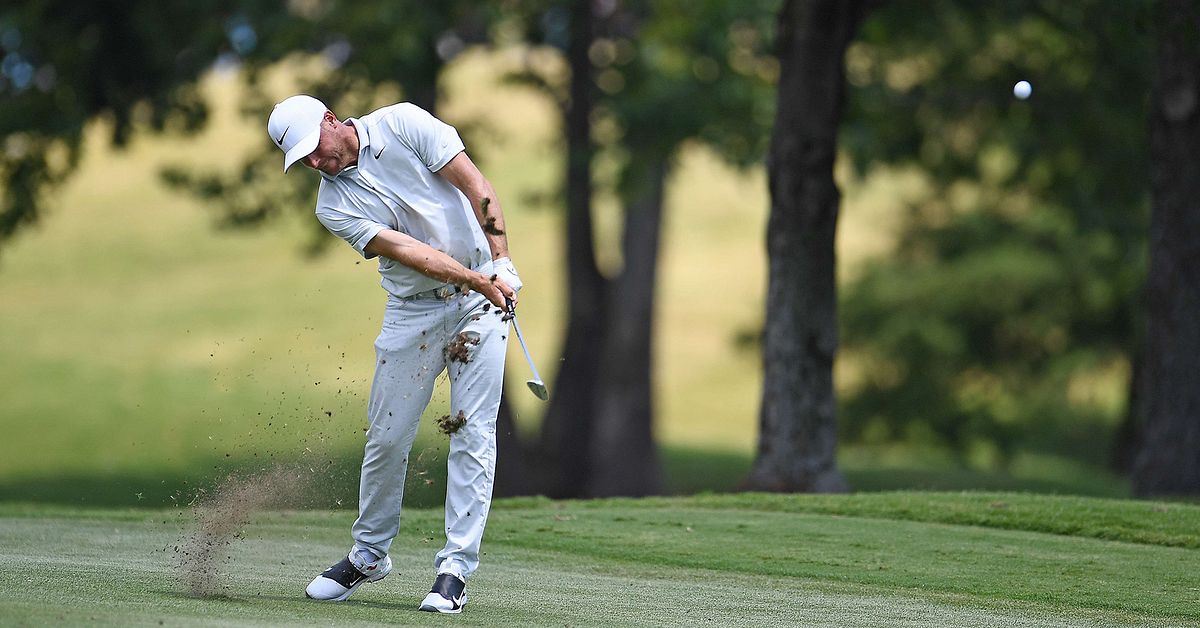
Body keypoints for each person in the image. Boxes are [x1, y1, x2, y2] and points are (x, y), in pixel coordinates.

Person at [267, 94, 520, 614]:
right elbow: (409, 252)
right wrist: (478, 279)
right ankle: (369, 555)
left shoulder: (402, 124)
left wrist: (502, 263)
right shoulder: (331, 205)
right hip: (413, 311)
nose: (314, 161)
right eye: (302, 159)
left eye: (314, 147)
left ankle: (454, 570)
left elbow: (476, 185)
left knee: (473, 431)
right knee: (387, 437)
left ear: (331, 120)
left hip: (479, 305)